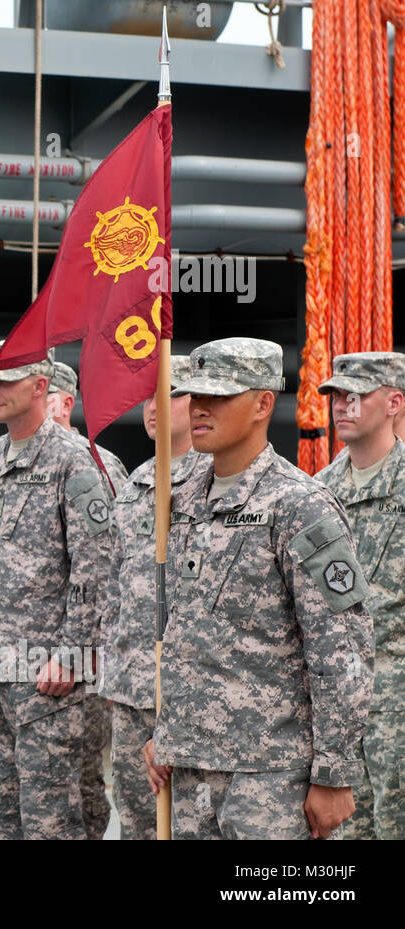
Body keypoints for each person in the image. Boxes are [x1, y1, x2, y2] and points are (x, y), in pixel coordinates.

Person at [143, 338, 373, 840]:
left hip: (270, 777)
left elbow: (341, 652)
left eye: (218, 396)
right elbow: (177, 629)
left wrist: (334, 773)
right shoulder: (180, 497)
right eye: (193, 394)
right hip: (191, 768)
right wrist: (166, 730)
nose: (199, 407)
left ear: (263, 403)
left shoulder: (300, 506)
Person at [0, 340, 116, 839]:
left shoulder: (74, 460)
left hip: (44, 675)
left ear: (41, 387)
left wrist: (73, 654)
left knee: (50, 821)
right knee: (0, 818)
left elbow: (99, 563)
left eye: (3, 381)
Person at [100, 354, 208, 840]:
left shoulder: (216, 482)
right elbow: (115, 587)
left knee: (192, 823)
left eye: (168, 393)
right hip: (132, 690)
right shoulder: (135, 484)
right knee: (138, 823)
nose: (152, 405)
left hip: (194, 693)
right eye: (147, 395)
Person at [315, 351, 405, 840]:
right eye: (337, 397)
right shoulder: (317, 493)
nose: (343, 406)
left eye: (357, 396)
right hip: (339, 716)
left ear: (394, 402)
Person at [46, 359, 125, 839]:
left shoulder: (95, 464)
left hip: (82, 659)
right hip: (26, 660)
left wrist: (76, 652)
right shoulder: (5, 458)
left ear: (66, 403)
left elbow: (103, 567)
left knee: (81, 779)